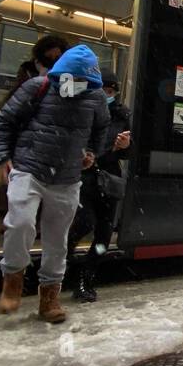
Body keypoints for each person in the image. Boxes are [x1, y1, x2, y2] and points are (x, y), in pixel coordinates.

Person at [0, 43, 109, 324]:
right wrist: (2, 157)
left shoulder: (96, 98)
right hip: (28, 168)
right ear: (60, 74)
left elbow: (101, 130)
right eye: (70, 78)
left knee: (58, 240)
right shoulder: (37, 87)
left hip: (67, 178)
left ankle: (49, 298)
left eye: (83, 81)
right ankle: (13, 280)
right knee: (20, 223)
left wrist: (92, 153)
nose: (74, 85)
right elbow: (5, 120)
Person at [67, 68, 131, 303]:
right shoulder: (84, 110)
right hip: (86, 176)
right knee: (85, 222)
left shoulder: (122, 114)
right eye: (104, 89)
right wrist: (109, 150)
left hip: (109, 179)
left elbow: (129, 152)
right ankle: (64, 255)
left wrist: (125, 147)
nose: (108, 94)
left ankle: (86, 279)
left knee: (104, 234)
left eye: (111, 90)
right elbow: (84, 147)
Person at [0, 34, 69, 128]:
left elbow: (70, 97)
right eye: (49, 56)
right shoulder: (29, 69)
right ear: (42, 55)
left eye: (57, 57)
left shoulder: (67, 71)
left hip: (54, 120)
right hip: (29, 118)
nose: (53, 60)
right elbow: (15, 93)